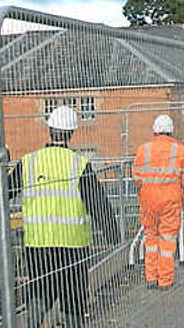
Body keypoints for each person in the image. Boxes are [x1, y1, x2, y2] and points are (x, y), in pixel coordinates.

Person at [8, 105, 120, 328]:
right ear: (72, 133)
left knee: (40, 293)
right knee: (73, 299)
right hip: (72, 247)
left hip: (38, 245)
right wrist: (113, 234)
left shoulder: (28, 162)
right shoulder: (79, 165)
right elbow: (98, 204)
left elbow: (4, 192)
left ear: (49, 129)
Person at [132, 114, 184, 290]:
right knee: (167, 239)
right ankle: (165, 280)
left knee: (150, 237)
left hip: (148, 199)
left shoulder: (144, 149)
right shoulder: (179, 150)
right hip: (170, 200)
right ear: (171, 131)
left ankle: (151, 277)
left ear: (155, 131)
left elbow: (136, 176)